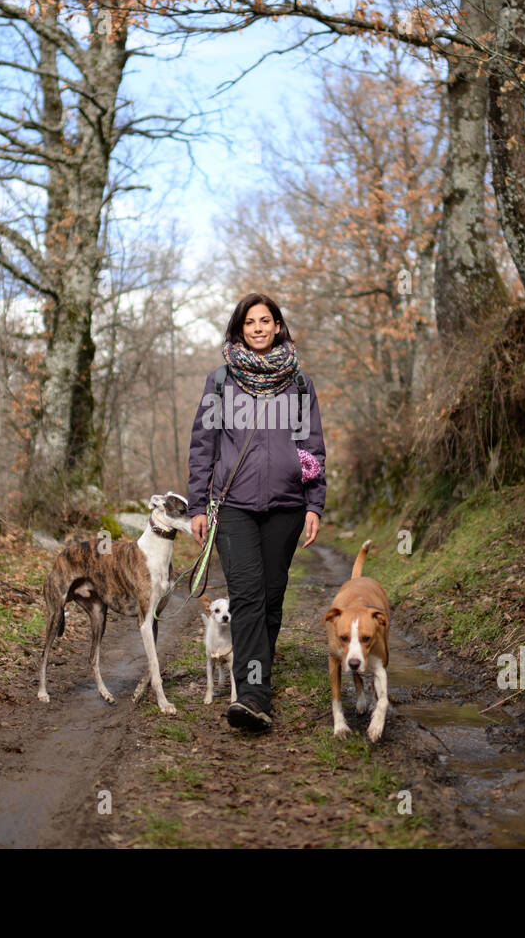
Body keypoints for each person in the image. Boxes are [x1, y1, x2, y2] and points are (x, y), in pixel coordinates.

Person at [186, 293, 327, 733]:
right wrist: (197, 505)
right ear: (240, 328)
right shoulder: (221, 380)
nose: (259, 328)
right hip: (234, 506)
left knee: (270, 597)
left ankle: (255, 677)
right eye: (251, 322)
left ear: (279, 326)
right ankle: (252, 696)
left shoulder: (299, 383)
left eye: (267, 320)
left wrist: (314, 503)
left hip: (286, 506)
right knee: (245, 597)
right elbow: (203, 444)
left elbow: (312, 449)